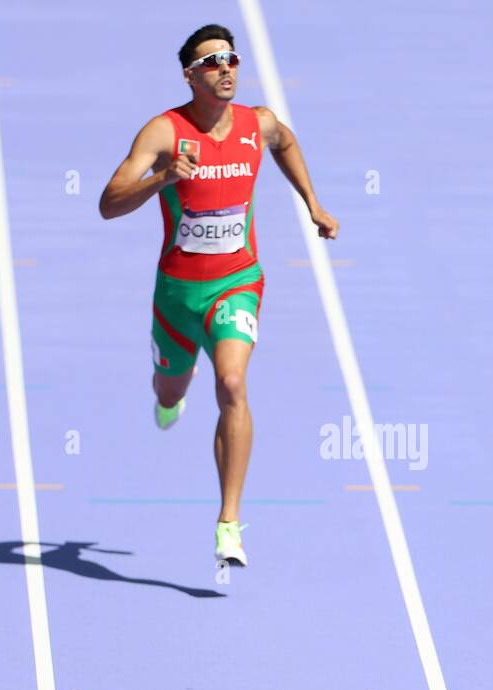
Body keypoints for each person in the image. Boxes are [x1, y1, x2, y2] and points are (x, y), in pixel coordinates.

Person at [100, 23, 339, 566]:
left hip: (237, 283)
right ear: (190, 75)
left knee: (232, 383)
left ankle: (229, 522)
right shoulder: (164, 133)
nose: (226, 67)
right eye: (212, 61)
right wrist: (159, 178)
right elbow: (108, 203)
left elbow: (288, 143)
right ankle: (169, 394)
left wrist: (312, 204)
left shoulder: (259, 124)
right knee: (168, 392)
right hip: (177, 298)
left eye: (231, 58)